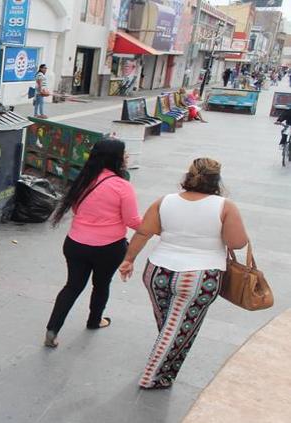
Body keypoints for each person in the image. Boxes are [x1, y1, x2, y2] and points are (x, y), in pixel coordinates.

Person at [118, 158, 248, 389]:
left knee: (169, 324)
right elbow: (236, 243)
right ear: (217, 181)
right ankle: (153, 376)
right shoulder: (225, 206)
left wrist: (128, 260)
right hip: (199, 276)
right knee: (177, 328)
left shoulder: (164, 201)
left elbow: (143, 233)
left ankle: (165, 370)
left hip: (157, 271)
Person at [44, 140, 141, 348]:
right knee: (101, 284)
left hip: (75, 244)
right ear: (116, 158)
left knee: (72, 286)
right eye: (124, 154)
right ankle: (94, 320)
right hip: (109, 248)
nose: (126, 158)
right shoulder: (122, 186)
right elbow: (132, 220)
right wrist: (154, 226)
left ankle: (52, 329)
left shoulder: (83, 180)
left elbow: (78, 210)